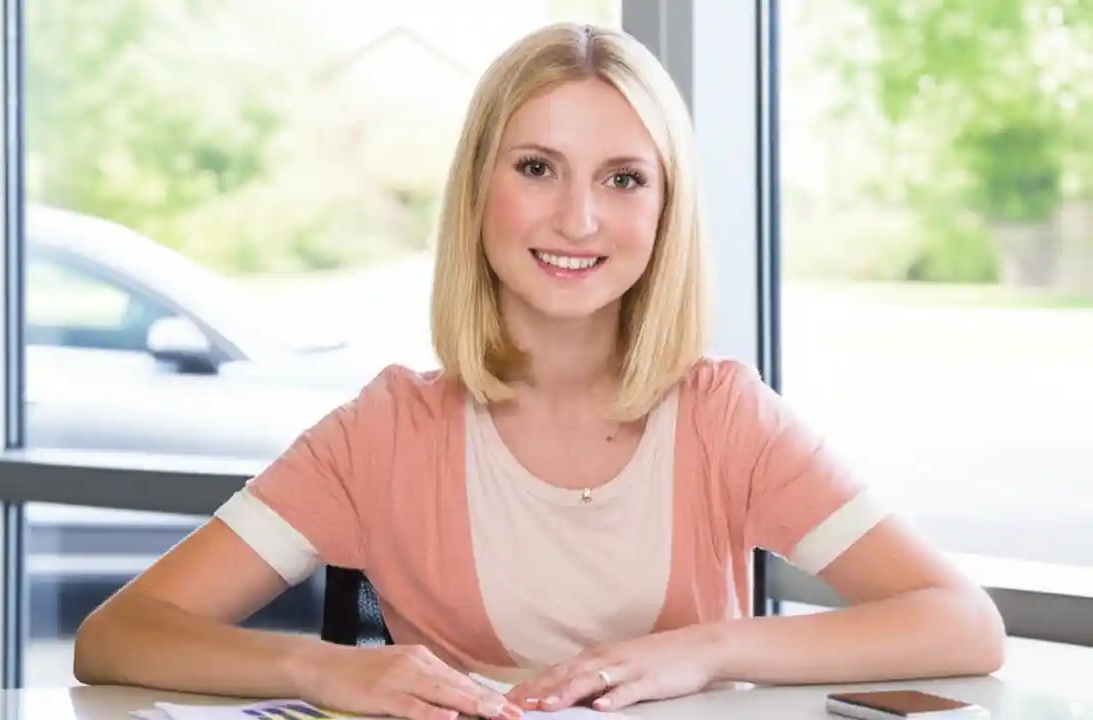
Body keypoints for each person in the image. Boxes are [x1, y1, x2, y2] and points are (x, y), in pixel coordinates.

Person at [73, 23, 1005, 720]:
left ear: (664, 210)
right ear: (479, 189)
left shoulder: (726, 417)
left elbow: (961, 622)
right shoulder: (386, 430)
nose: (579, 220)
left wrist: (704, 651)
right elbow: (118, 635)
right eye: (537, 168)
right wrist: (326, 671)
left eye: (623, 178)